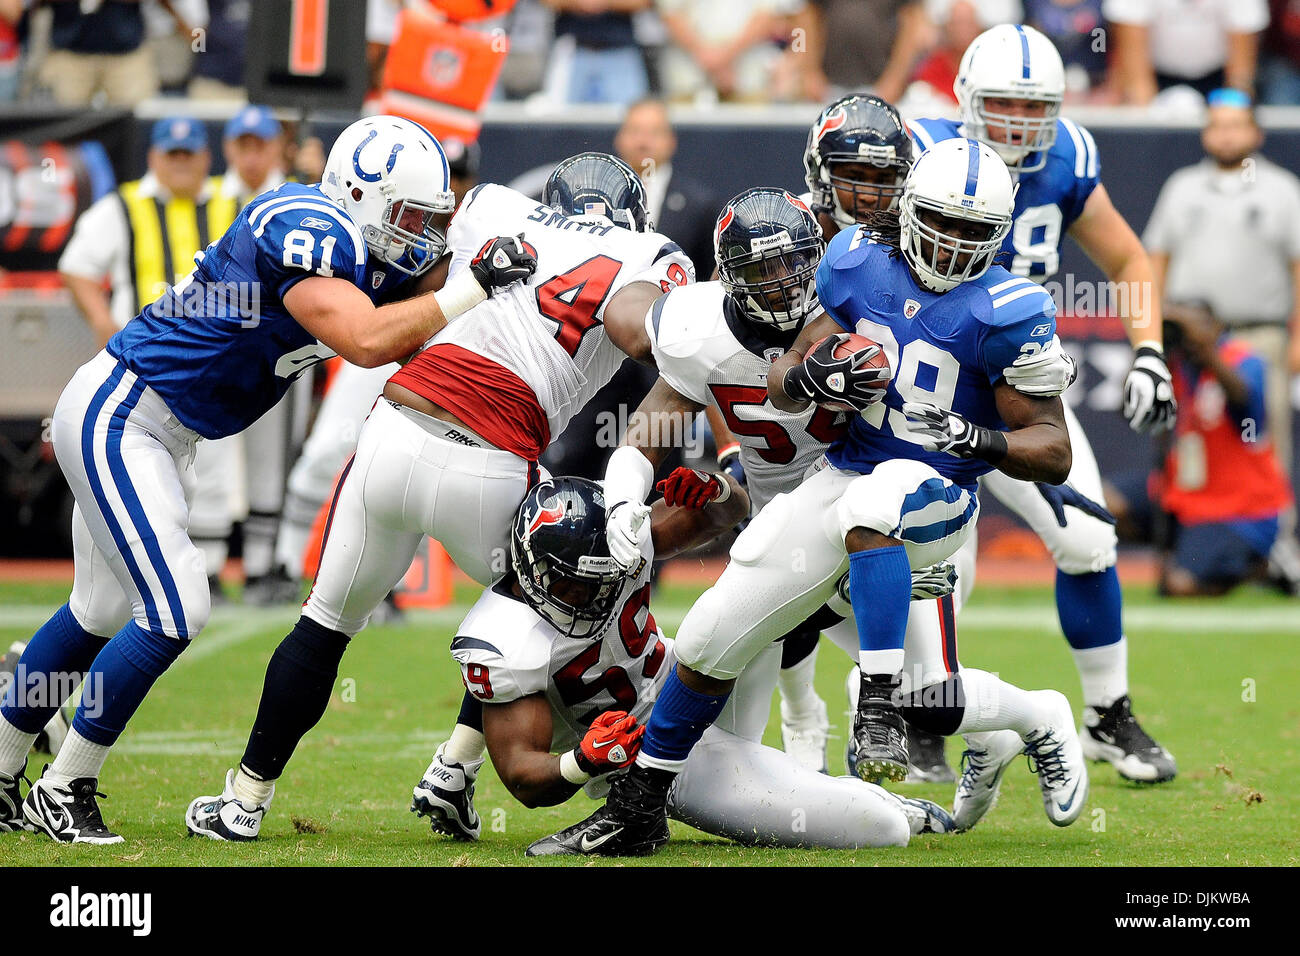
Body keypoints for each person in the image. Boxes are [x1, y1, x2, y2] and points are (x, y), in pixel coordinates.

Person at [528, 138, 1089, 857]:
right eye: (941, 223)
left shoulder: (1012, 308)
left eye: (972, 232)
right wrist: (809, 380)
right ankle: (639, 805)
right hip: (839, 478)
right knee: (711, 629)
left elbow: (1055, 449)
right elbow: (786, 366)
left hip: (938, 491)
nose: (951, 245)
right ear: (910, 213)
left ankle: (880, 708)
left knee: (884, 533)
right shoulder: (855, 261)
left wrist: (974, 438)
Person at [0, 115, 536, 843]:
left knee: (96, 611)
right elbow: (369, 339)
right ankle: (66, 783)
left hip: (161, 427)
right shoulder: (305, 223)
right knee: (175, 608)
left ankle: (3, 771)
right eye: (408, 215)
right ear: (358, 193)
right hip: (124, 413)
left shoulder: (363, 247)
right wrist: (476, 283)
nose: (418, 233)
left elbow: (434, 284)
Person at [183, 153, 695, 841]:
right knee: (541, 612)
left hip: (394, 427)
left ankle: (245, 799)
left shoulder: (491, 205)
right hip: (490, 459)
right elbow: (639, 332)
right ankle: (463, 766)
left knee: (324, 624)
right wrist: (695, 338)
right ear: (634, 217)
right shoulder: (647, 253)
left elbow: (411, 286)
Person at [908, 23, 1180, 784]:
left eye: (1037, 108)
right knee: (939, 563)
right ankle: (925, 716)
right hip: (933, 385)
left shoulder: (1066, 157)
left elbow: (1126, 255)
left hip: (1024, 393)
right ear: (964, 97)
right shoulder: (920, 149)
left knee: (1090, 542)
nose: (1021, 124)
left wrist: (1149, 350)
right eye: (1004, 105)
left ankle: (1106, 714)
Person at [415, 475, 955, 850]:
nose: (596, 595)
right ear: (533, 570)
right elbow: (522, 778)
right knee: (883, 827)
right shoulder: (502, 640)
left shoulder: (619, 543)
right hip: (661, 761)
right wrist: (584, 759)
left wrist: (717, 492)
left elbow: (731, 516)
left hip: (695, 681)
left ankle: (858, 583)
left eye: (603, 579)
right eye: (577, 585)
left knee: (760, 562)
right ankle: (892, 805)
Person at [272, 138, 482, 587]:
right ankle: (284, 563)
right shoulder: (369, 229)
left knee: (418, 464)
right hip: (380, 334)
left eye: (462, 179)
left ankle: (395, 581)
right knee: (329, 448)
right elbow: (367, 333)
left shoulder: (471, 225)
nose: (455, 191)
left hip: (434, 352)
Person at [1109, 303, 1294, 595]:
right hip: (1185, 495)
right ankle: (1195, 552)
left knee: (1180, 587)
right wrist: (1149, 352)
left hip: (1239, 510)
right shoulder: (1173, 365)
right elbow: (1128, 410)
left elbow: (1245, 406)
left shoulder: (1244, 361)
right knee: (1105, 502)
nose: (1187, 336)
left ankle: (1260, 566)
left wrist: (1207, 353)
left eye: (1195, 326)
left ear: (1218, 329)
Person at [1104, 0, 1269, 103]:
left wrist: (1233, 107)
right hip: (1157, 75)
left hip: (1218, 77)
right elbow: (1136, 74)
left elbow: (1240, 72)